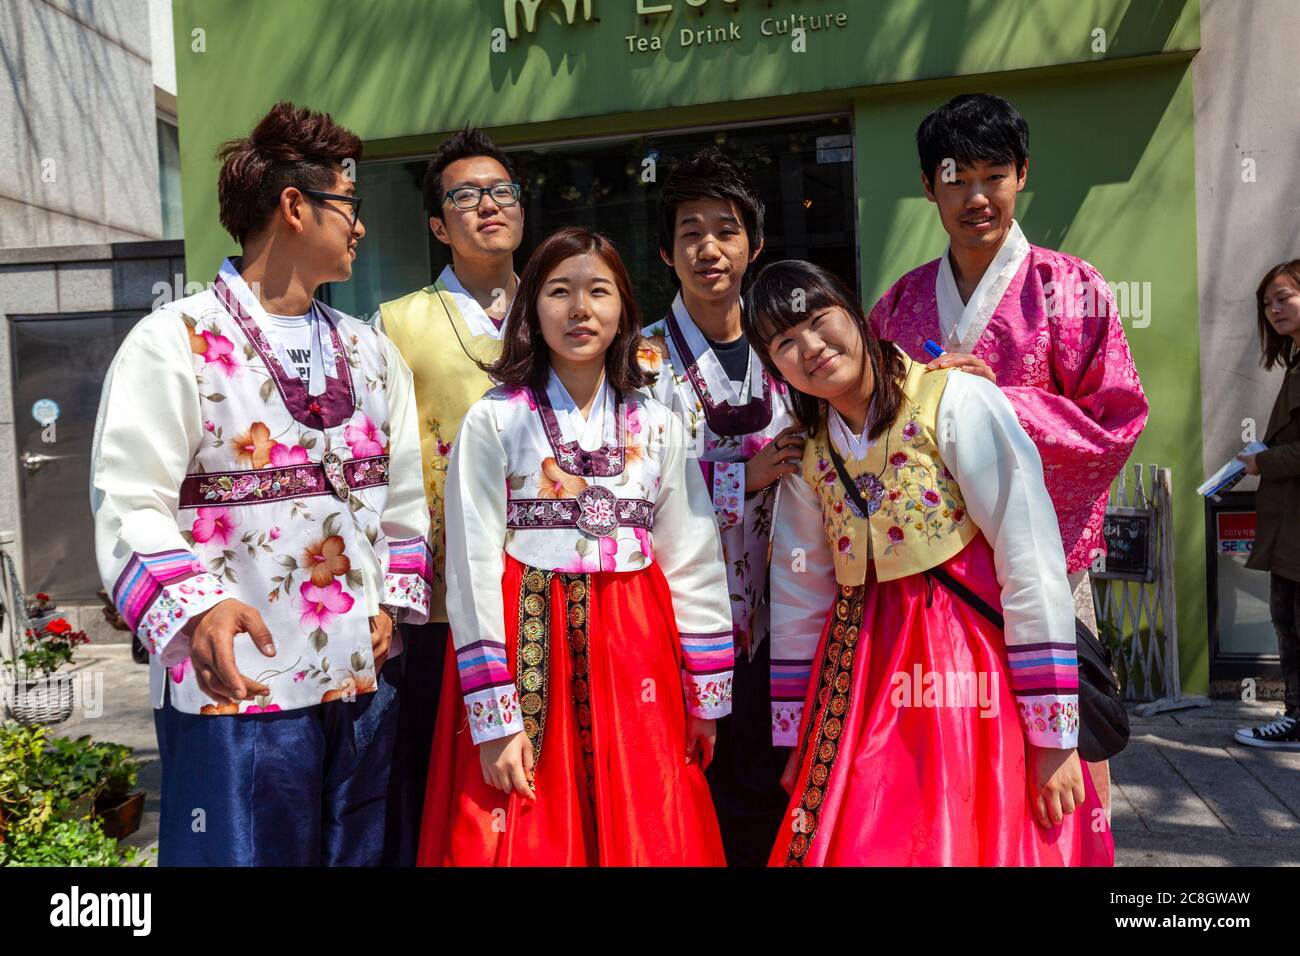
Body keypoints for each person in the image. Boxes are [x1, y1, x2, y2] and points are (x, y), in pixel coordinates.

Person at [90, 101, 432, 866]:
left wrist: (390, 608)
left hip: (358, 684)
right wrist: (200, 608)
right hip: (236, 689)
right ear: (294, 206)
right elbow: (126, 498)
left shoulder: (370, 353)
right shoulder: (172, 342)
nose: (361, 227)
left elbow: (403, 501)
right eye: (349, 206)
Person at [745, 259, 1114, 866]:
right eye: (785, 341)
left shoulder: (955, 400)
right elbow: (799, 589)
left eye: (819, 320)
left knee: (973, 823)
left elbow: (1029, 557)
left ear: (853, 310)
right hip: (858, 670)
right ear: (772, 364)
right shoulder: (807, 447)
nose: (811, 347)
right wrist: (800, 736)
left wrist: (1052, 736)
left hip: (970, 667)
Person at [867, 93, 1149, 812]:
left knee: (1058, 756)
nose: (976, 195)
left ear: (1022, 174)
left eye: (994, 174)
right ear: (929, 186)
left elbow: (1115, 419)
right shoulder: (898, 306)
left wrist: (1001, 402)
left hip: (1040, 561)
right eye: (956, 177)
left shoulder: (1070, 288)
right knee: (950, 752)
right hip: (933, 575)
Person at [418, 227, 732, 865]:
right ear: (533, 307)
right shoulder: (496, 419)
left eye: (599, 291)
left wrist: (705, 693)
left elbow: (693, 555)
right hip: (528, 640)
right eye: (559, 292)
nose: (580, 309)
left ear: (623, 311)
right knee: (521, 816)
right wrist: (494, 715)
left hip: (635, 647)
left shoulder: (658, 422)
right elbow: (473, 565)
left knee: (648, 817)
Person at [638, 148, 798, 865]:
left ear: (754, 245)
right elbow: (631, 490)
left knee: (773, 793)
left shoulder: (790, 351)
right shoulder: (636, 363)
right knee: (690, 797)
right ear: (666, 253)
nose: (709, 248)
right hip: (682, 627)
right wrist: (746, 477)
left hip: (784, 617)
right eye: (691, 231)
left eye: (726, 230)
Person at [376, 127, 524, 864]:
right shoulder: (399, 322)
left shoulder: (561, 301)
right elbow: (379, 457)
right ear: (438, 224)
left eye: (501, 191)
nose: (487, 206)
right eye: (465, 196)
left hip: (540, 579)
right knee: (434, 773)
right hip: (436, 594)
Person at [1234, 259, 1300, 749]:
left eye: (1284, 298)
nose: (1274, 309)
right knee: (1285, 614)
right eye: (1267, 303)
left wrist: (1265, 462)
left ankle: (1297, 719)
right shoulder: (1294, 358)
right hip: (1287, 519)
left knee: (1291, 617)